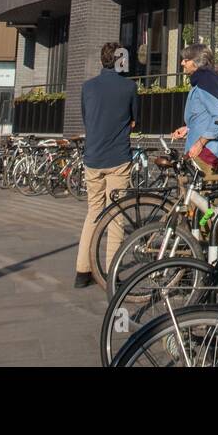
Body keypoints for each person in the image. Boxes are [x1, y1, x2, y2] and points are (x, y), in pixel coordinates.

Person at [74, 42, 139, 289]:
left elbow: (86, 117)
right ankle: (112, 273)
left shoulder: (88, 87)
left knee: (93, 212)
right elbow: (134, 119)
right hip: (118, 158)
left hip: (93, 157)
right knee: (115, 216)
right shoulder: (129, 86)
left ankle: (82, 271)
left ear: (102, 61)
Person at [171, 44, 218, 175]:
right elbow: (204, 113)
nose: (182, 63)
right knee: (196, 193)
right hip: (199, 148)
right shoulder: (201, 81)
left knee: (202, 193)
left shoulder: (207, 81)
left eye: (186, 60)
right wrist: (188, 128)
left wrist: (200, 144)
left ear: (196, 62)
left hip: (205, 151)